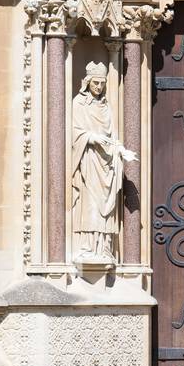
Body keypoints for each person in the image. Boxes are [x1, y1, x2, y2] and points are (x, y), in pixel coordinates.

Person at [71, 61, 137, 261]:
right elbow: (74, 133)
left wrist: (122, 151)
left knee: (108, 208)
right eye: (95, 83)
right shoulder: (79, 103)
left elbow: (112, 135)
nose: (99, 87)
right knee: (90, 204)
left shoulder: (107, 105)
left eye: (102, 83)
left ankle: (104, 247)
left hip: (108, 162)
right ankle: (87, 247)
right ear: (87, 82)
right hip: (89, 159)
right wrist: (92, 137)